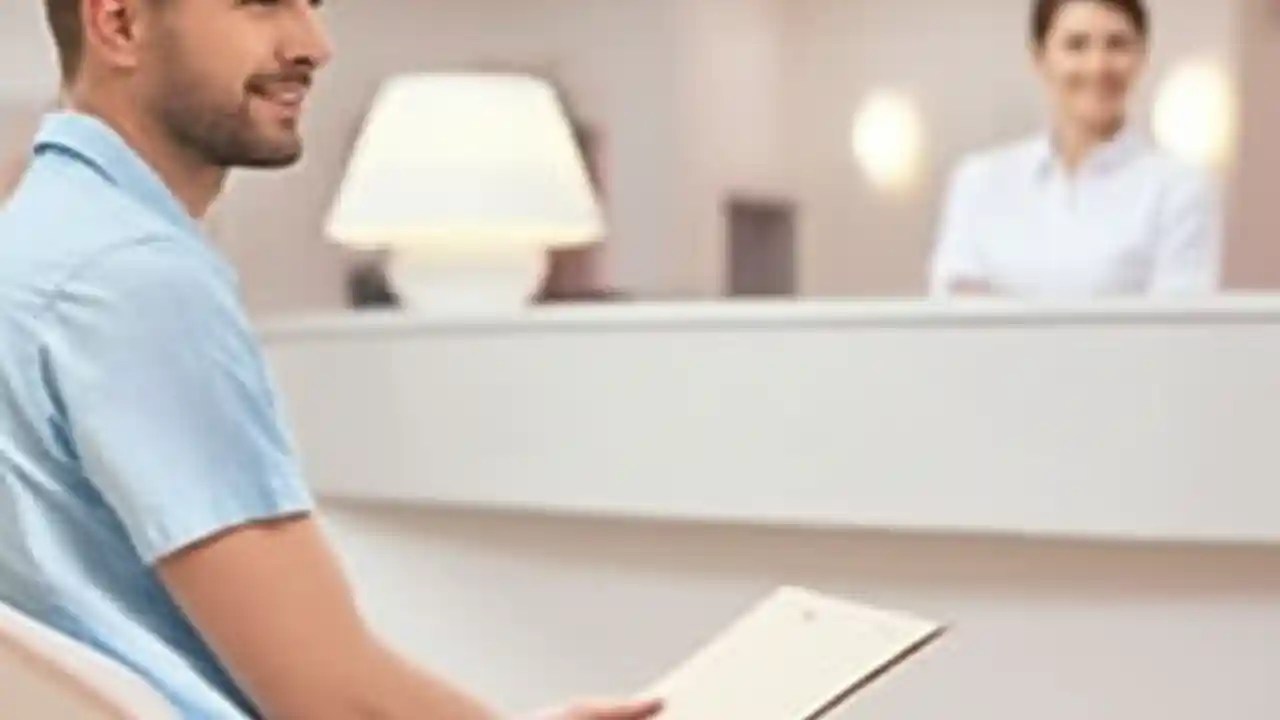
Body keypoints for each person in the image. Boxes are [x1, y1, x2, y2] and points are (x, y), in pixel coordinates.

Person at [0, 2, 664, 719]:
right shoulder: (131, 276)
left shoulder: (41, 241)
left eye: (312, 7)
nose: (315, 45)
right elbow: (331, 699)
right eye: (262, 5)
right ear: (120, 24)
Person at [930, 0, 1222, 298]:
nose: (1097, 66)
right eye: (1076, 45)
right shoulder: (979, 182)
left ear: (1142, 57)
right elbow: (957, 321)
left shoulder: (1178, 188)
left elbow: (1178, 330)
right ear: (1040, 59)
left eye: (1117, 44)